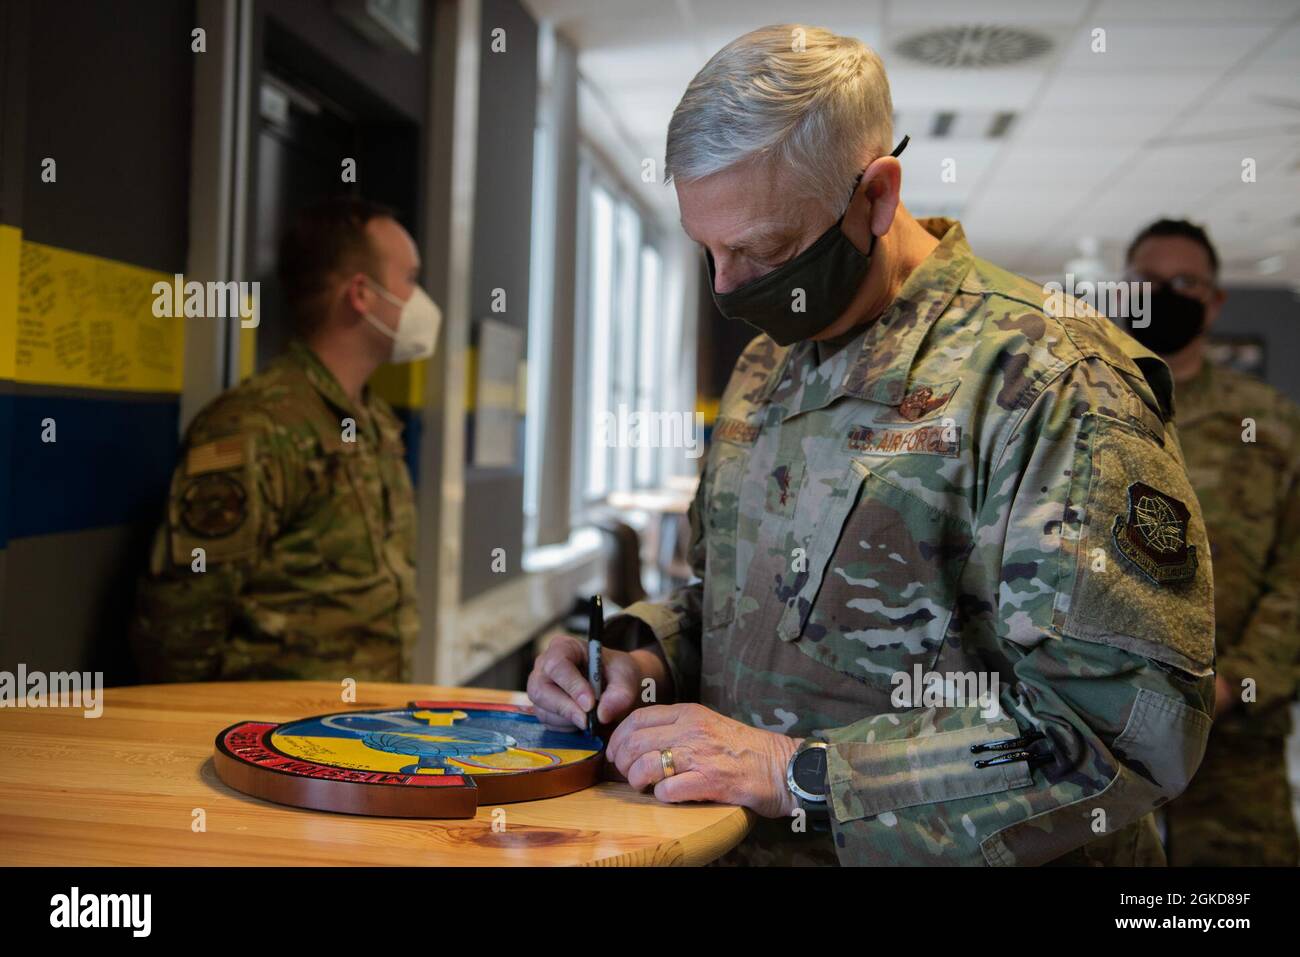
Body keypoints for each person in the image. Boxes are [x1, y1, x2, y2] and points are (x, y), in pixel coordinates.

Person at [528, 25, 1215, 866]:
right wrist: (643, 654)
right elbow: (744, 608)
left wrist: (806, 774)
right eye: (706, 249)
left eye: (763, 250)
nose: (725, 286)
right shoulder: (765, 366)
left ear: (878, 196)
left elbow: (1125, 731)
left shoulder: (1053, 378)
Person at [130, 197, 440, 682]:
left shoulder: (375, 419)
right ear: (361, 295)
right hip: (272, 741)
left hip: (364, 730)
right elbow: (181, 627)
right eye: (410, 279)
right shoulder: (255, 426)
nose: (421, 299)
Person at [1124, 218, 1300, 866]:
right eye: (1148, 281)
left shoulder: (1272, 425)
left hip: (1236, 748)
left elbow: (1296, 574)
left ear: (1215, 299)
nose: (1164, 292)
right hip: (1101, 740)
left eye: (1184, 281)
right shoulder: (1079, 406)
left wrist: (1233, 686)